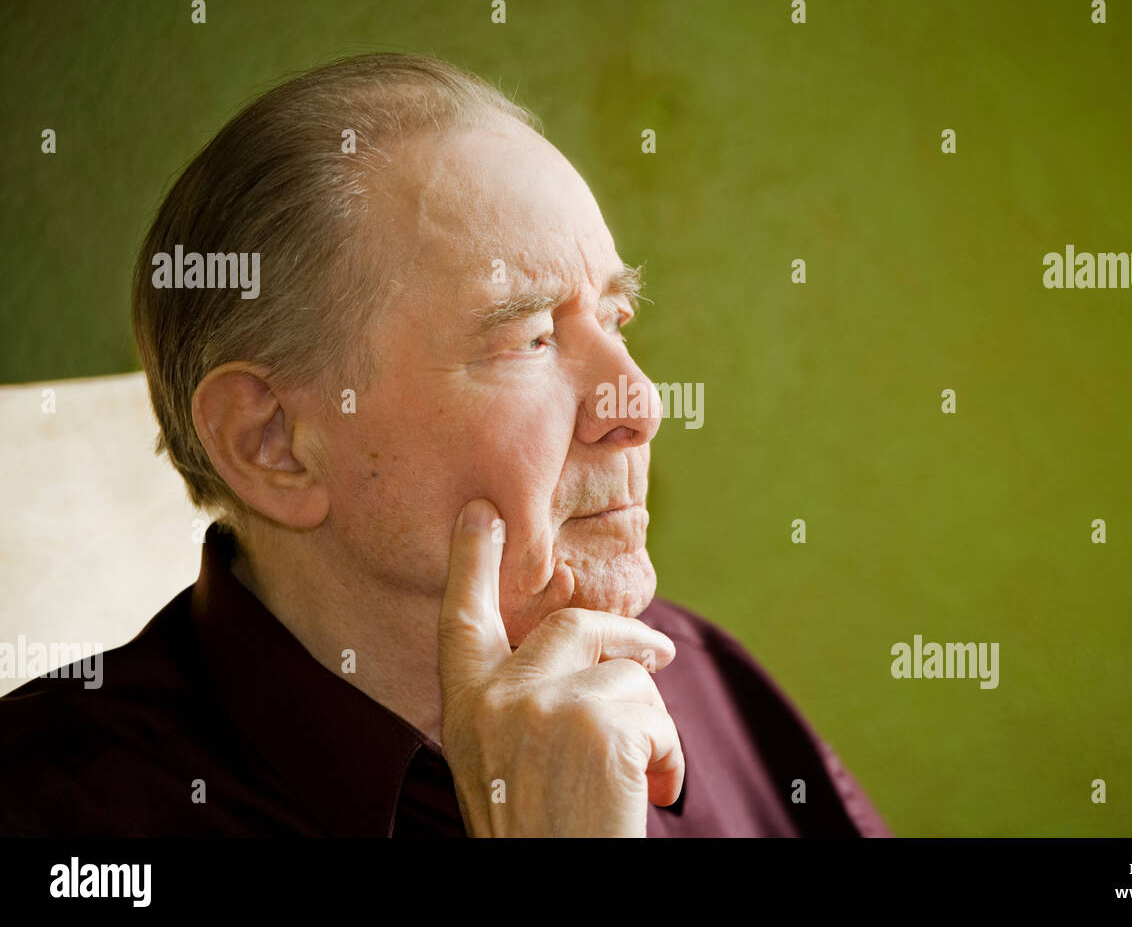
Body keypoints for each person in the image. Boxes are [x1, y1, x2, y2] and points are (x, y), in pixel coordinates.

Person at [0, 53, 889, 837]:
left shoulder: (703, 682)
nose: (640, 403)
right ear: (272, 442)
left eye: (616, 317)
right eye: (531, 336)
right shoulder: (62, 812)